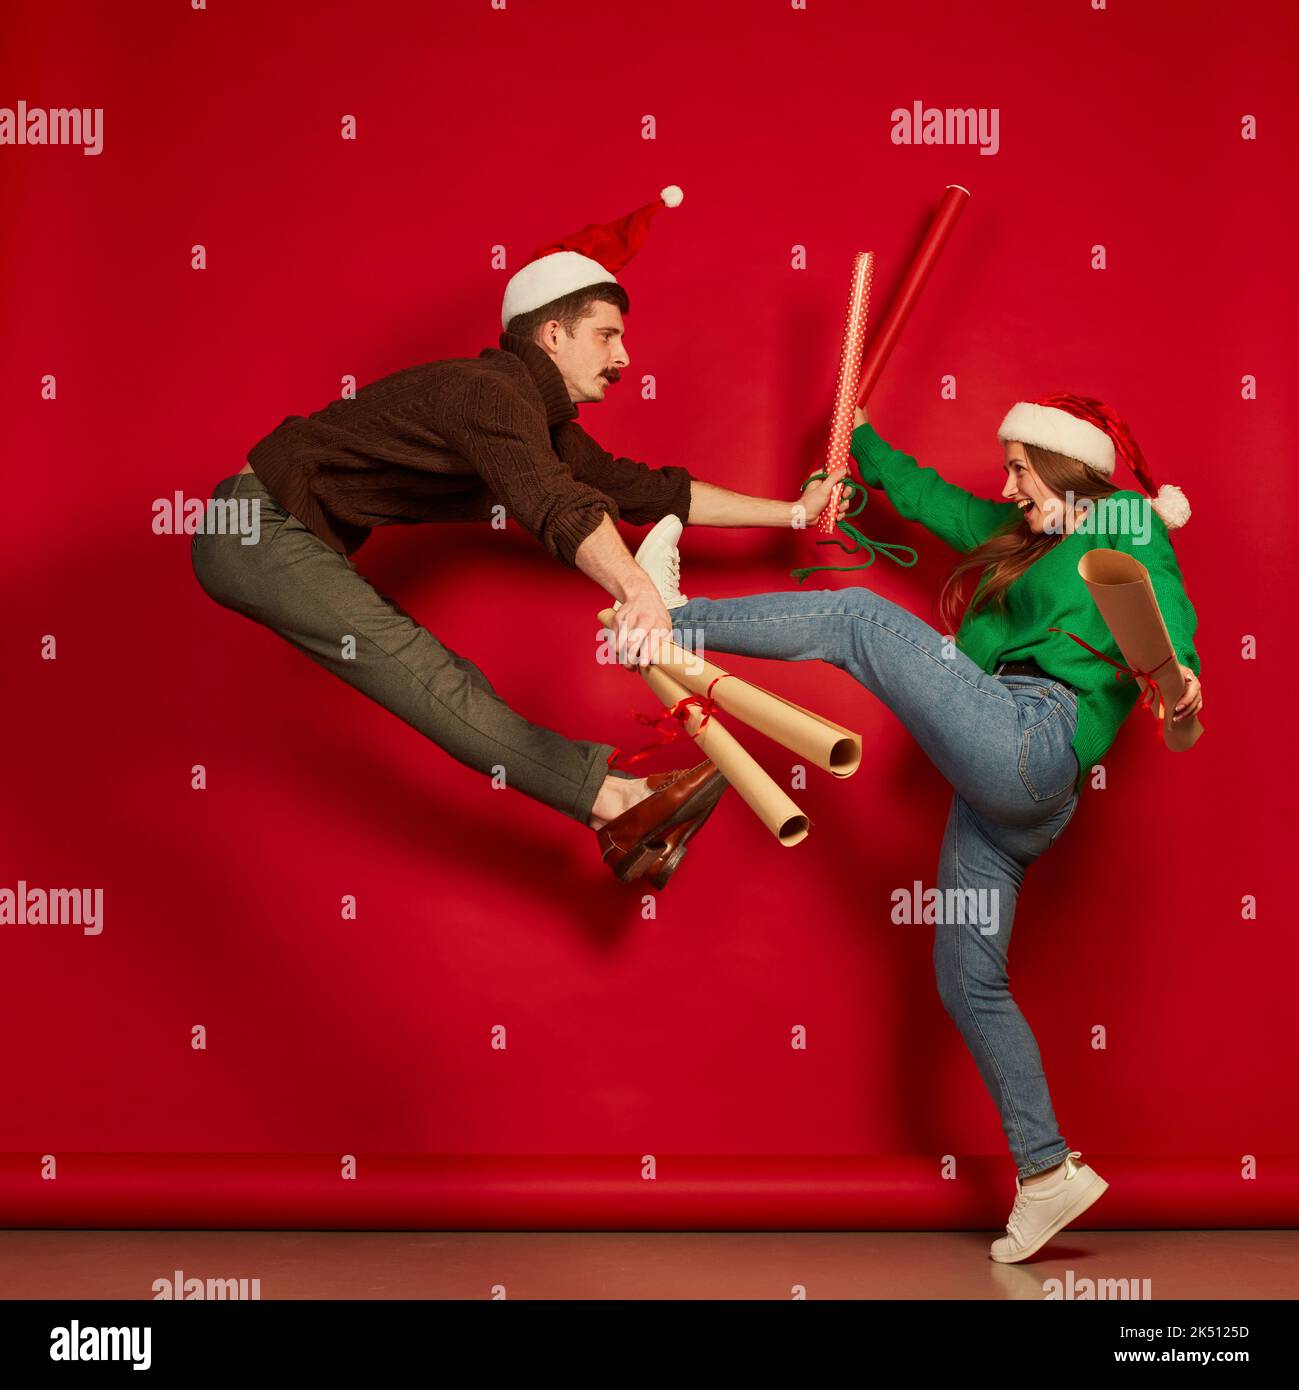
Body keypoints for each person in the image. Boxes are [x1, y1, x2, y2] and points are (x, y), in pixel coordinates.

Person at [630, 394, 1202, 1260]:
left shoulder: (1119, 518)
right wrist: (854, 433)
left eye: (1019, 467)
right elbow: (930, 500)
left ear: (1064, 467)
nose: (1007, 486)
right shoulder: (1027, 534)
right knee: (965, 980)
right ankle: (1048, 1174)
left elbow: (1160, 600)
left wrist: (1184, 672)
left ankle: (665, 618)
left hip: (1032, 739)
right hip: (1004, 789)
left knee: (858, 617)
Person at [188, 186, 852, 885]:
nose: (625, 357)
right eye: (607, 334)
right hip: (254, 529)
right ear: (552, 334)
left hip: (285, 535)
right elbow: (554, 503)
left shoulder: (539, 424)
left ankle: (622, 820)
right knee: (428, 675)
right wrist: (635, 590)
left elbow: (649, 490)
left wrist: (795, 513)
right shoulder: (491, 393)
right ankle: (615, 804)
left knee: (442, 676)